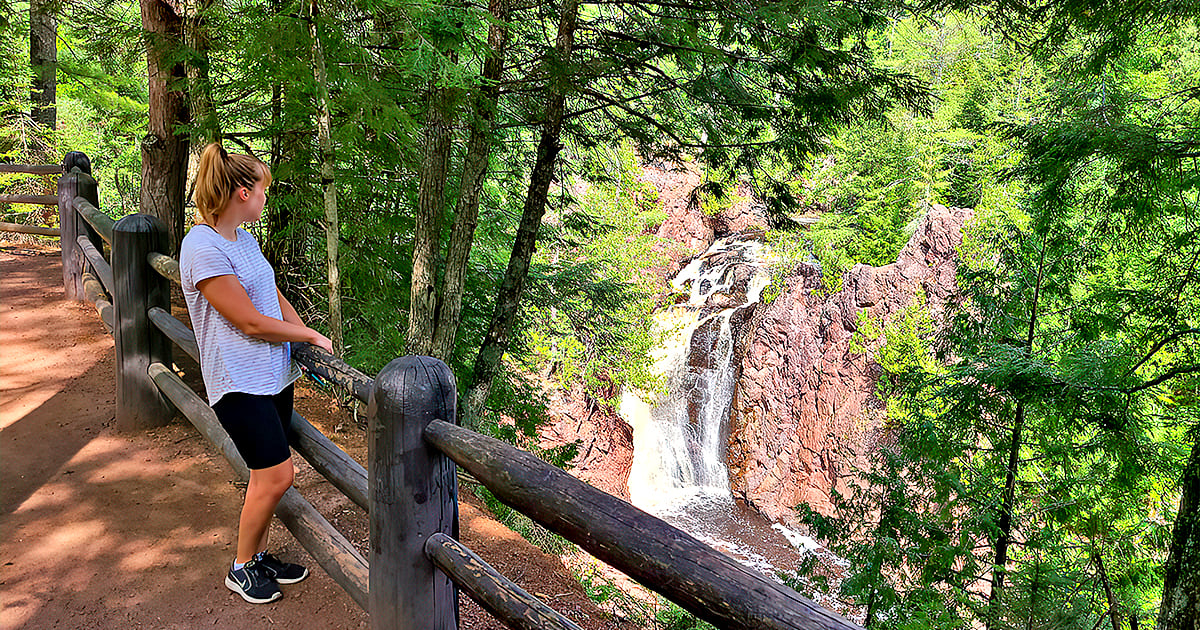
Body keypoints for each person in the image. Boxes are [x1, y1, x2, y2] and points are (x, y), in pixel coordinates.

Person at [180, 142, 334, 604]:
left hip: (271, 376)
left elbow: (269, 294)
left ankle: (260, 555)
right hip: (237, 382)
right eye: (263, 190)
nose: (267, 198)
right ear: (242, 193)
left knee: (264, 474)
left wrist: (303, 332)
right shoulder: (201, 247)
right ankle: (241, 567)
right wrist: (306, 338)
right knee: (277, 475)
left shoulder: (242, 239)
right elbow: (246, 320)